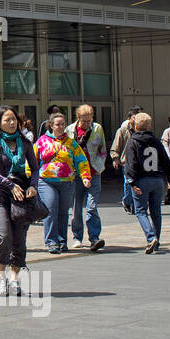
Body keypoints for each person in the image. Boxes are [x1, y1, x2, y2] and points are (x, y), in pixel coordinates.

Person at [0, 105, 39, 298]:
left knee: (19, 238)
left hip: (21, 194)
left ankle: (14, 278)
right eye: (7, 120)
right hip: (0, 193)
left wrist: (33, 186)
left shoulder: (24, 141)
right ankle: (1, 277)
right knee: (3, 234)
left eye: (14, 119)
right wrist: (9, 184)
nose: (11, 122)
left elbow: (35, 168)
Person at [35, 113, 91, 254]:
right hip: (47, 181)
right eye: (58, 124)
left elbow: (81, 160)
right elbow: (31, 159)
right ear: (51, 126)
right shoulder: (42, 141)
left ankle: (62, 241)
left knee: (63, 213)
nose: (61, 127)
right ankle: (51, 242)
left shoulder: (71, 143)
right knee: (50, 209)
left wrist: (85, 176)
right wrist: (29, 178)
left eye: (62, 124)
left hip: (67, 182)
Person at [125, 112, 170, 253]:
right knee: (156, 211)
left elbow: (131, 163)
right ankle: (156, 241)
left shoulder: (133, 141)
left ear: (135, 126)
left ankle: (150, 236)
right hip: (157, 179)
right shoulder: (156, 141)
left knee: (140, 210)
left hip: (142, 179)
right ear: (149, 126)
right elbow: (165, 160)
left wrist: (131, 181)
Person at [66, 105, 107, 250]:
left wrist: (101, 165)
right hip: (76, 175)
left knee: (91, 207)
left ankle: (94, 237)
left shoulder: (97, 129)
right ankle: (77, 237)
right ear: (78, 118)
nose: (86, 124)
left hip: (93, 173)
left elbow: (102, 149)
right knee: (77, 208)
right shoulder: (70, 130)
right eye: (83, 121)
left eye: (89, 121)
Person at [110, 106, 142, 213]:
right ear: (129, 118)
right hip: (126, 162)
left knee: (137, 184)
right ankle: (127, 201)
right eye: (134, 117)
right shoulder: (123, 130)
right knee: (128, 183)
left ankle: (134, 204)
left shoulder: (141, 130)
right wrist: (115, 158)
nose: (136, 119)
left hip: (138, 162)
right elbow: (116, 146)